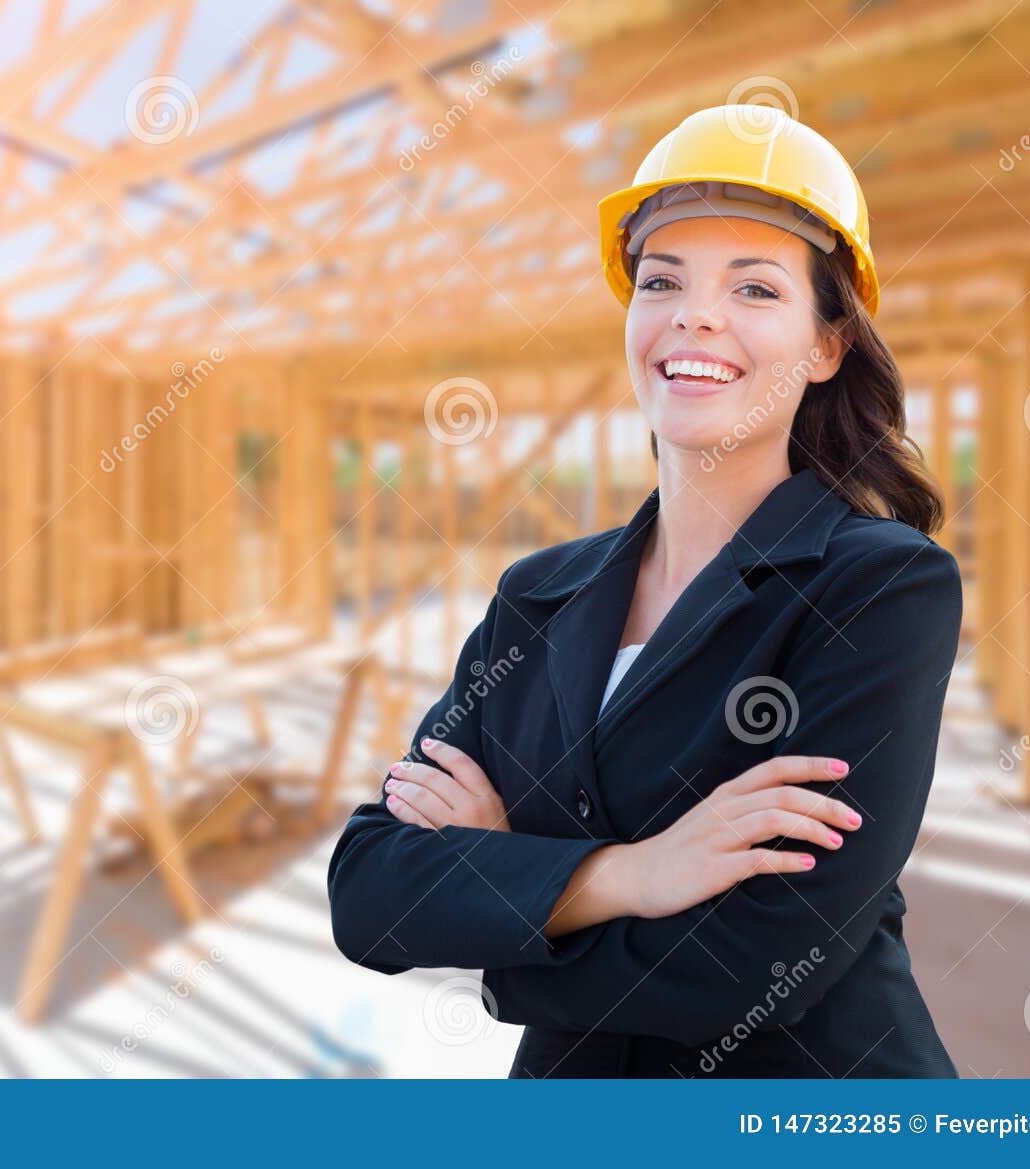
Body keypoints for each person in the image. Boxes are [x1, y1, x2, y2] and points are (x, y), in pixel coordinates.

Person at [326, 104, 961, 1078]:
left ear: (827, 345)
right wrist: (630, 873)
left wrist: (509, 890)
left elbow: (755, 966)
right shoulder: (539, 596)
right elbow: (370, 888)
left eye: (754, 287)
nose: (693, 315)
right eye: (660, 281)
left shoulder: (877, 585)